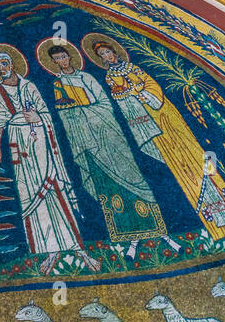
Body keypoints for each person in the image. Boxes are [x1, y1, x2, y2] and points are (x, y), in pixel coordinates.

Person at [82, 33, 225, 241]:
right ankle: (216, 226)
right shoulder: (110, 77)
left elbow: (153, 88)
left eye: (108, 51)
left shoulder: (134, 69)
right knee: (182, 171)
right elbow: (120, 100)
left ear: (115, 52)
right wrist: (130, 95)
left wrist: (142, 93)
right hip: (148, 125)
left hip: (165, 117)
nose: (107, 56)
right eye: (102, 55)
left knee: (197, 160)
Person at [35, 38, 168, 256]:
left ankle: (159, 231)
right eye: (56, 59)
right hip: (86, 142)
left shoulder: (86, 77)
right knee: (106, 188)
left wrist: (83, 110)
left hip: (108, 136)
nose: (61, 61)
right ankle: (127, 239)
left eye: (63, 56)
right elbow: (61, 112)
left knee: (132, 176)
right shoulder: (57, 84)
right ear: (53, 63)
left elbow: (105, 104)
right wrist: (71, 112)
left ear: (70, 56)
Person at [0, 44, 98, 273]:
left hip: (41, 142)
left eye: (4, 64)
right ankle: (49, 251)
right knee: (31, 198)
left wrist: (37, 118)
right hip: (19, 146)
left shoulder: (29, 86)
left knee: (54, 190)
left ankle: (78, 249)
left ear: (13, 64)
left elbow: (46, 113)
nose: (1, 69)